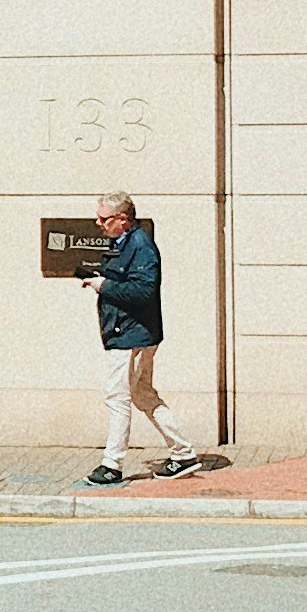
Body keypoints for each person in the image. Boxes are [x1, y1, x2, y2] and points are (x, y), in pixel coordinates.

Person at [85, 192, 205, 484]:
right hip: (131, 332)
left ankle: (112, 465)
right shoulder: (126, 243)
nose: (98, 223)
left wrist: (104, 286)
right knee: (142, 394)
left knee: (118, 398)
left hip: (130, 335)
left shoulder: (140, 246)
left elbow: (142, 292)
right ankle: (183, 453)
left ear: (123, 220)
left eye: (104, 218)